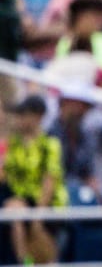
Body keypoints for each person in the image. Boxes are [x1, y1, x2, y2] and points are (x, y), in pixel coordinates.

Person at [3, 95, 67, 265]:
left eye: (24, 114)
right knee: (14, 210)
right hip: (17, 200)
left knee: (18, 214)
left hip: (46, 204)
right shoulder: (13, 144)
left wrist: (38, 216)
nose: (19, 119)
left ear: (38, 116)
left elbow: (50, 181)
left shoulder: (50, 144)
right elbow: (6, 175)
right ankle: (25, 262)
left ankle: (35, 261)